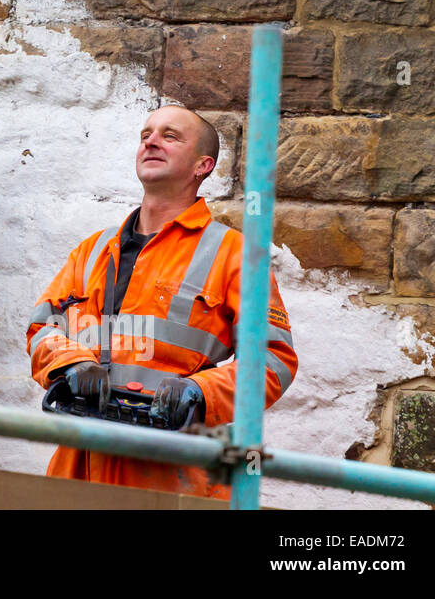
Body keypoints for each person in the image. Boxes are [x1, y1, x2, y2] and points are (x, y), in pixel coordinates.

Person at [27, 103, 297, 500]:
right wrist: (72, 364)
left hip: (172, 473)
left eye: (170, 135)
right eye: (145, 135)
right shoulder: (93, 250)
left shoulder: (234, 255)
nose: (151, 141)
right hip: (79, 467)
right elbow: (41, 328)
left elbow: (274, 360)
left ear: (203, 166)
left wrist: (201, 393)